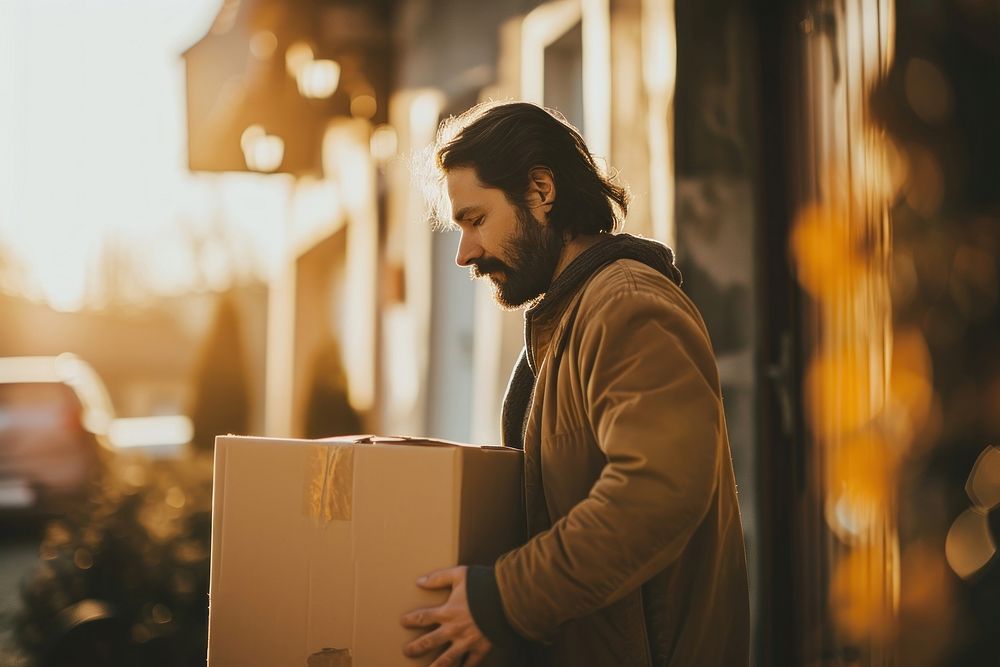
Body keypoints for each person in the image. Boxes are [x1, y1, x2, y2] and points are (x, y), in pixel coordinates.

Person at [400, 101, 750, 666]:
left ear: (540, 190)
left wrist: (507, 598)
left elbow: (657, 490)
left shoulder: (627, 305)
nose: (465, 253)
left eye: (475, 220)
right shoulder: (569, 317)